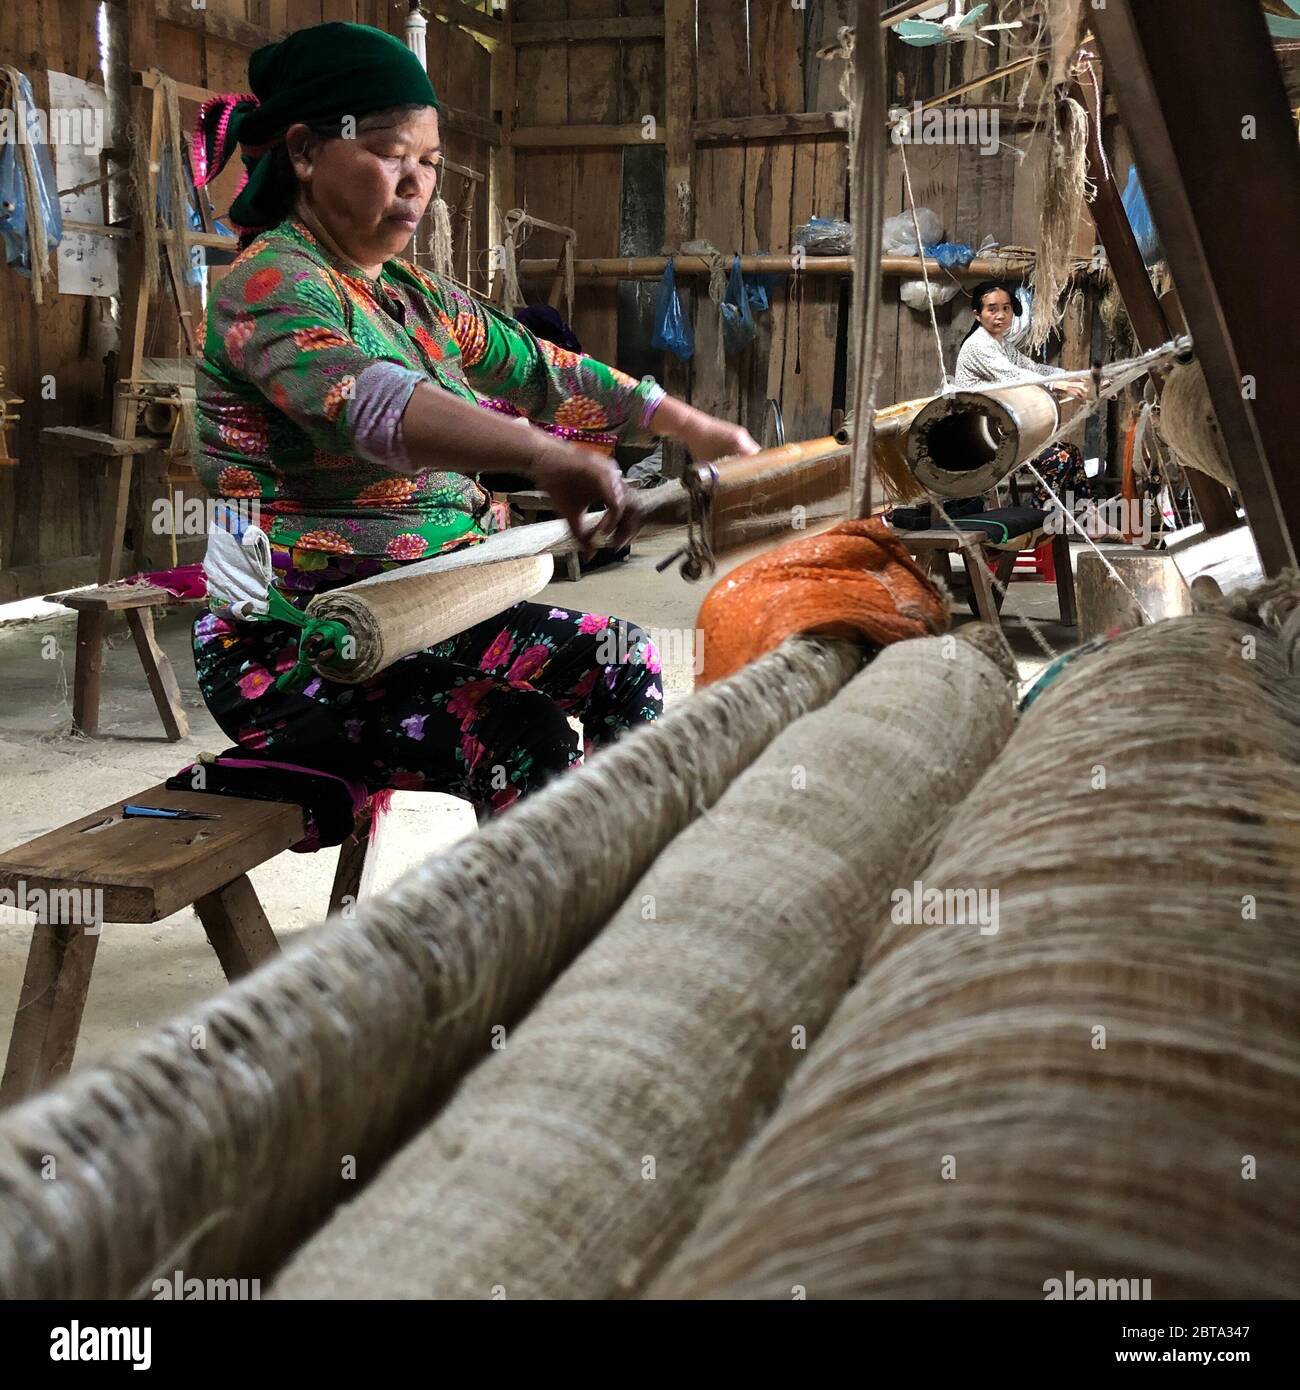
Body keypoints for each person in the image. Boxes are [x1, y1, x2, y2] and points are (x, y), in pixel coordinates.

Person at [189, 22, 759, 815]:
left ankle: (611, 877)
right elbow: (369, 404)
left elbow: (541, 368)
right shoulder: (269, 285)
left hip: (434, 605)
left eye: (428, 163)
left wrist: (691, 427)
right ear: (305, 151)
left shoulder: (412, 295)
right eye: (390, 155)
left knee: (624, 658)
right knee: (523, 738)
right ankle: (536, 926)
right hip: (298, 647)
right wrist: (542, 456)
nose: (416, 183)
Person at [954, 280, 1091, 511]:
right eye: (992, 309)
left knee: (1072, 453)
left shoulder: (1001, 344)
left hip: (999, 433)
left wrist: (1076, 376)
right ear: (977, 314)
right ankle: (1035, 520)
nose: (1001, 315)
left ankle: (1089, 522)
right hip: (981, 441)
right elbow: (1015, 376)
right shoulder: (978, 346)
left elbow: (1034, 369)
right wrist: (1061, 385)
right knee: (1059, 460)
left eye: (1006, 308)